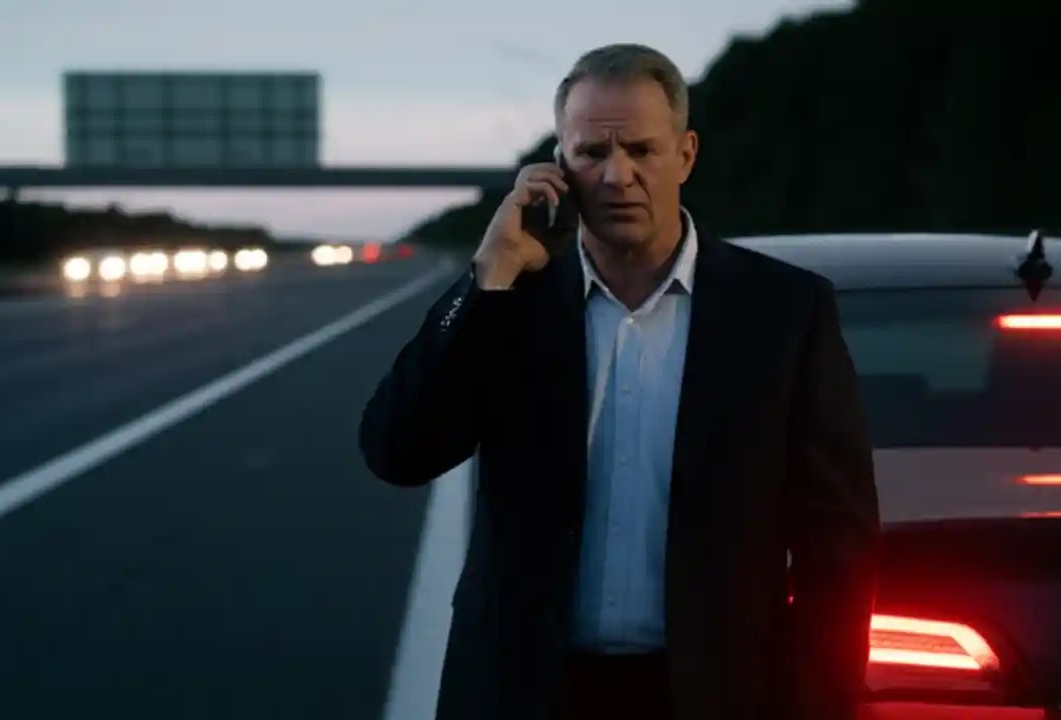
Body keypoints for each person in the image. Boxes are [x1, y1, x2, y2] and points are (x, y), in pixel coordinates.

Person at [359, 43, 879, 720]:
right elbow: (398, 451)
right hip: (527, 694)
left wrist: (820, 706)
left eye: (640, 150)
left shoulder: (784, 311)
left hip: (715, 695)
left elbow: (836, 545)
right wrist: (486, 276)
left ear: (686, 155)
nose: (616, 175)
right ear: (558, 164)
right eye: (592, 154)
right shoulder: (514, 303)